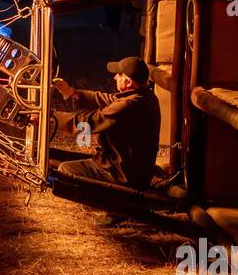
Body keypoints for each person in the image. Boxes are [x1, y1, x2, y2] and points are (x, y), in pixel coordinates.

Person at [52, 56, 161, 190]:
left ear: (128, 81)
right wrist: (71, 92)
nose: (115, 77)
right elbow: (105, 99)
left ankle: (103, 202)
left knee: (65, 169)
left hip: (121, 175)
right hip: (134, 171)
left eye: (119, 74)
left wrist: (52, 118)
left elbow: (87, 123)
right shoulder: (146, 96)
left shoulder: (128, 105)